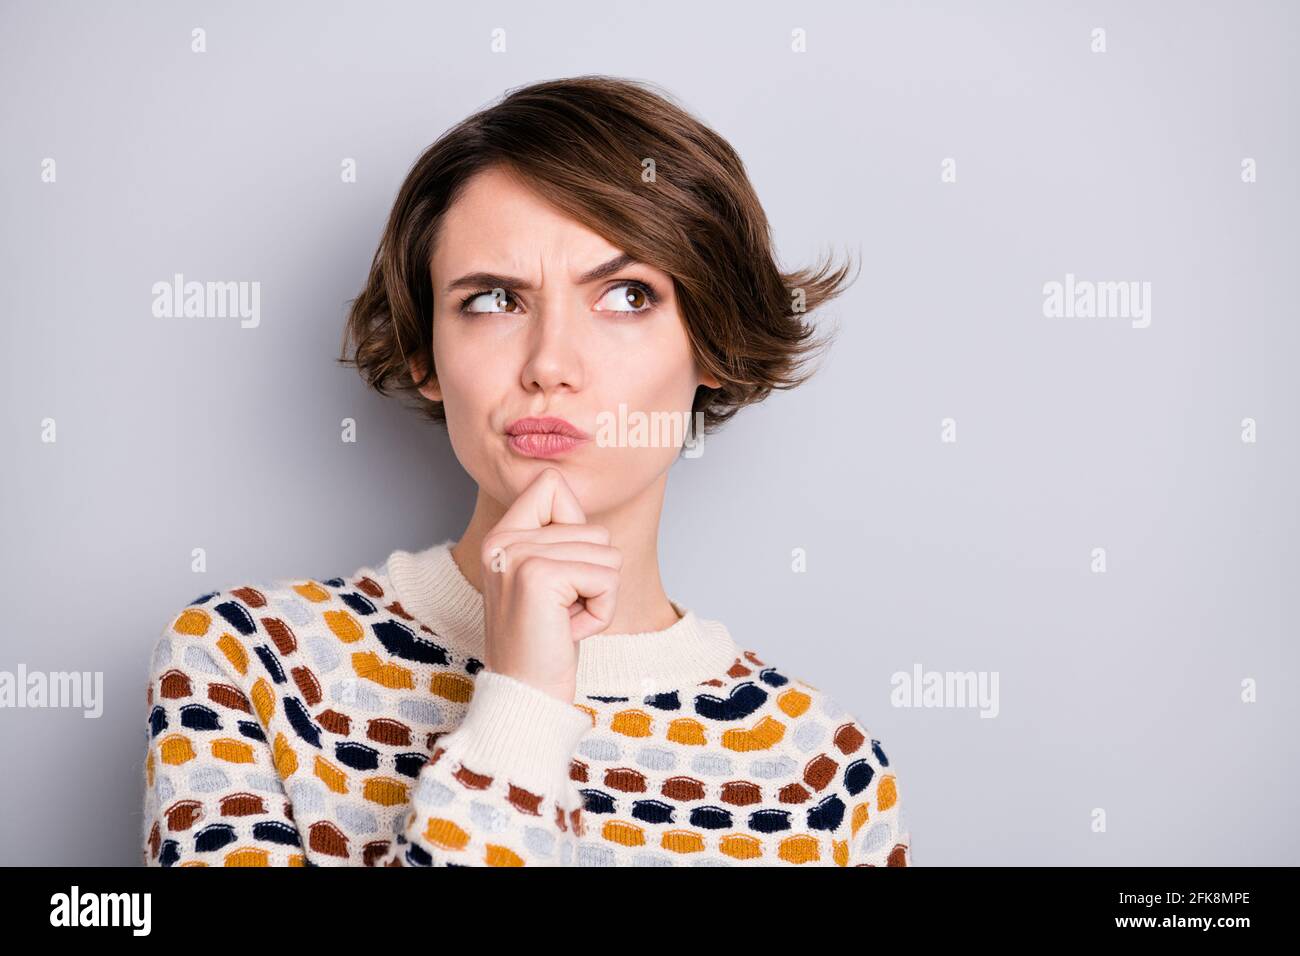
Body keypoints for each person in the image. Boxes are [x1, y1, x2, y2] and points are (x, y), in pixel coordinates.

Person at [141, 75, 911, 867]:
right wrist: (521, 706)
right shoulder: (250, 663)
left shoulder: (821, 781)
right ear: (426, 354)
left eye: (626, 295)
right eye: (493, 301)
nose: (550, 365)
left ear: (712, 341)